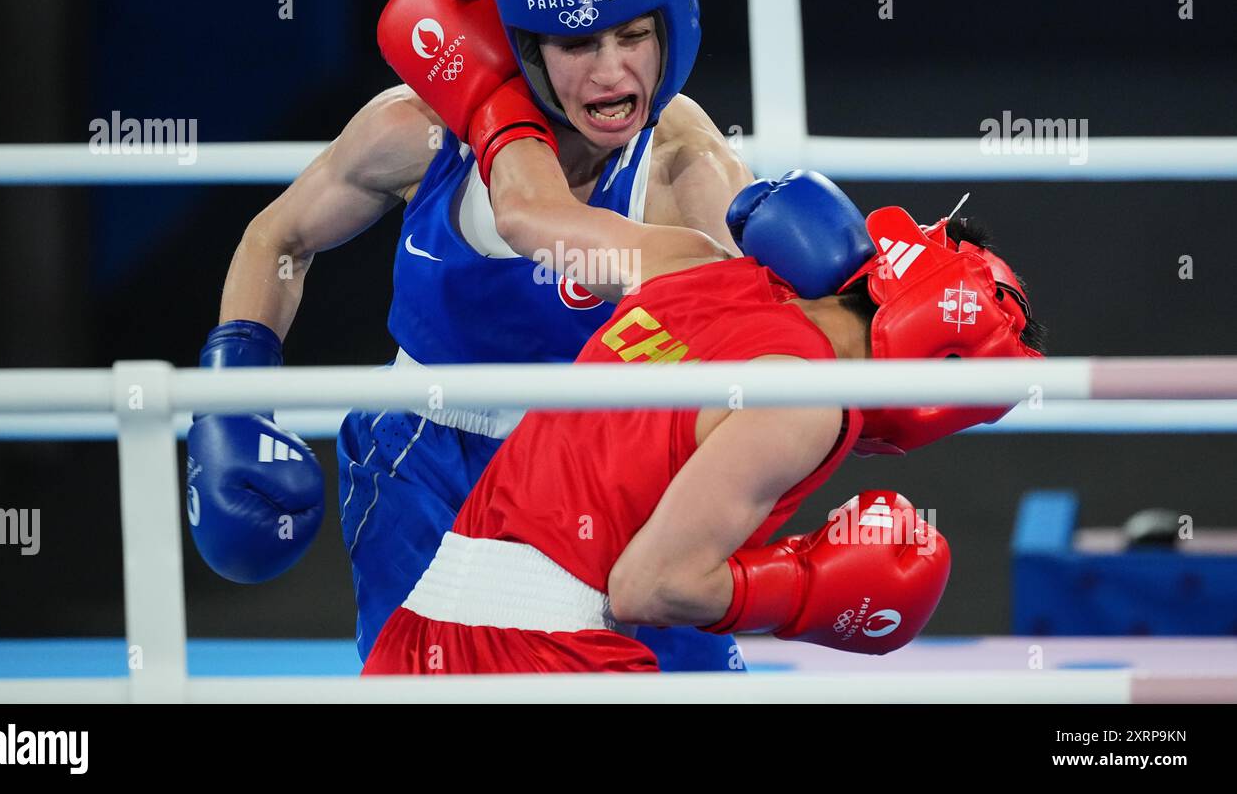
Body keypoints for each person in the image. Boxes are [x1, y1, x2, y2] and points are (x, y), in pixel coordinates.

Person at [184, 0, 755, 671]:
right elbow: (277, 237)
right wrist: (230, 400)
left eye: (632, 36)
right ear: (529, 46)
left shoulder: (684, 164)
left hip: (610, 477)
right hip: (425, 465)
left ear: (671, 29)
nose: (609, 72)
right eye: (577, 43)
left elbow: (762, 348)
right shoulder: (421, 130)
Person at [361, 170, 1046, 673]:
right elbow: (653, 585)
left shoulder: (693, 264)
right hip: (547, 655)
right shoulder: (807, 402)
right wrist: (803, 588)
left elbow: (532, 215)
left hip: (420, 633)